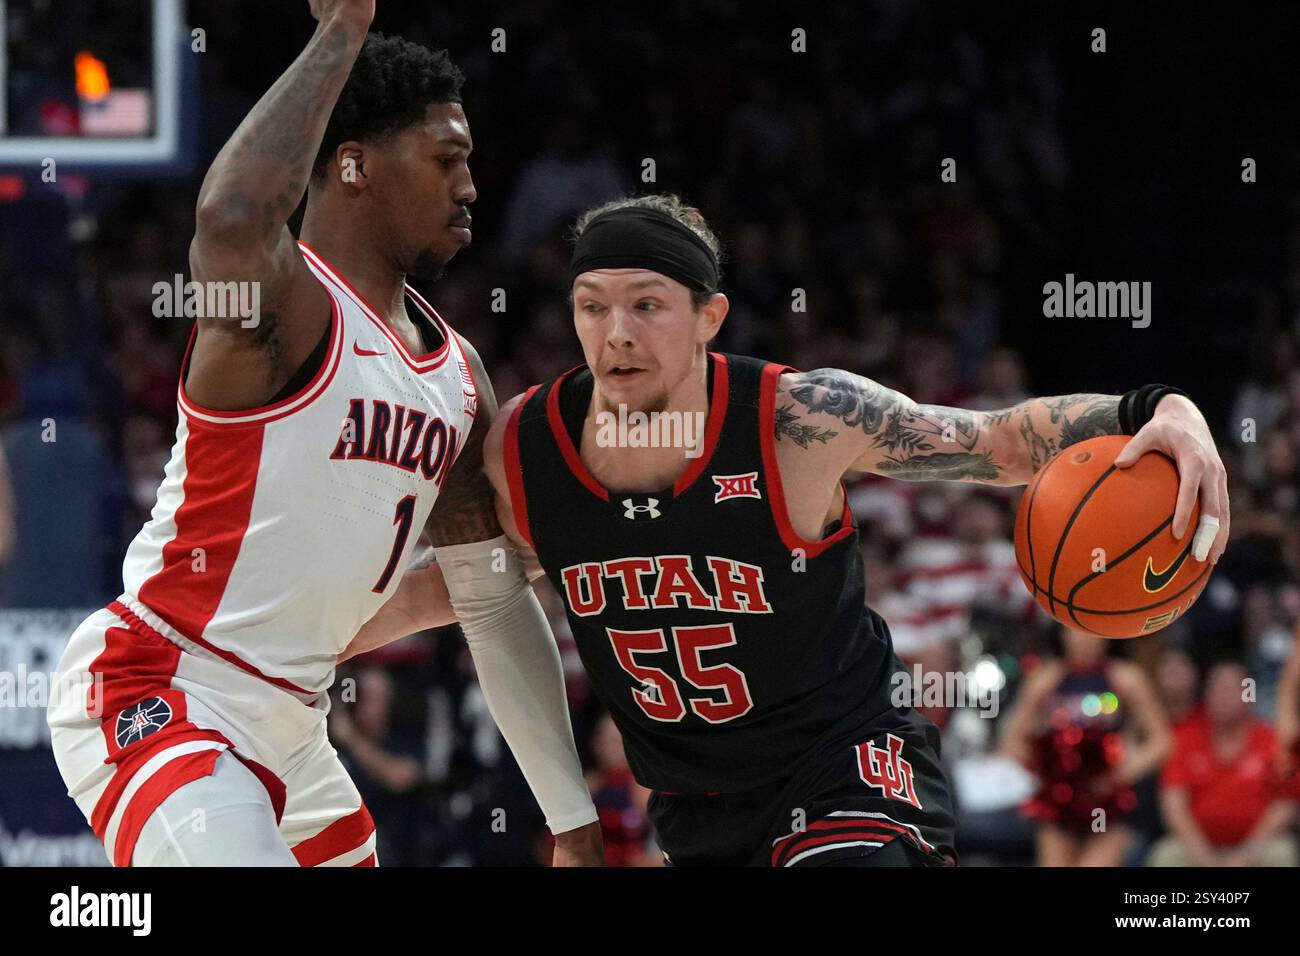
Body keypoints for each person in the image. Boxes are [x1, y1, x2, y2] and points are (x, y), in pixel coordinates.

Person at [355, 192, 1230, 866]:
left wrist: (1161, 407)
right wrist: (280, 643)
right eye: (591, 305)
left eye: (647, 304)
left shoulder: (796, 419)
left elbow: (993, 443)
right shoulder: (524, 449)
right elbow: (460, 591)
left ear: (710, 317)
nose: (615, 333)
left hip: (846, 758)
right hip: (696, 803)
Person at [48, 1, 601, 867]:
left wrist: (570, 819)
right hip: (162, 688)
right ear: (354, 166)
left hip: (294, 728)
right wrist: (339, 31)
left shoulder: (459, 376)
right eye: (446, 159)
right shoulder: (285, 305)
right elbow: (231, 220)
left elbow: (487, 597)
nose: (470, 185)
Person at [1002, 627, 1172, 866]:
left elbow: (1162, 741)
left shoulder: (1126, 678)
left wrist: (1121, 773)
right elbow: (1012, 740)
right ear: (1062, 634)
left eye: (1091, 631)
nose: (1084, 639)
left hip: (1110, 802)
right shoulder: (1045, 679)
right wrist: (1039, 771)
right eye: (1076, 631)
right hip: (1059, 801)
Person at [1149, 658, 1298, 866]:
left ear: (1250, 696)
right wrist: (1206, 858)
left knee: (1282, 853)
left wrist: (1247, 854)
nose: (1221, 697)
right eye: (1215, 689)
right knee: (1165, 855)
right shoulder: (1184, 738)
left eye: (1229, 689)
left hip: (1257, 844)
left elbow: (1285, 805)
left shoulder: (1272, 741)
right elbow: (1174, 807)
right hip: (1198, 845)